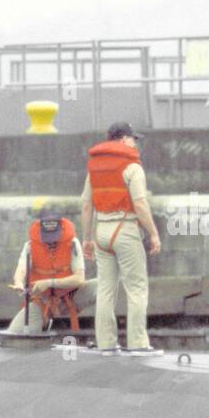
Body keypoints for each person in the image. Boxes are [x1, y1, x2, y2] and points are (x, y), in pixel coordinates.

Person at [81, 122, 162, 356]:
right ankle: (137, 343)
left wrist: (87, 238)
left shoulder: (94, 167)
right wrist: (154, 234)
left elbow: (86, 205)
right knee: (136, 288)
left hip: (102, 231)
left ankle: (106, 343)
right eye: (133, 138)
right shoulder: (132, 167)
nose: (135, 143)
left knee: (106, 289)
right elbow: (139, 203)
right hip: (125, 228)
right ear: (123, 139)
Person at [4, 209, 96, 334]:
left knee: (104, 286)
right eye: (47, 237)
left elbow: (79, 279)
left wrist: (49, 282)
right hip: (43, 300)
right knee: (15, 334)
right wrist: (19, 283)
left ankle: (105, 341)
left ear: (61, 229)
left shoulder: (73, 244)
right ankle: (44, 322)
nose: (51, 242)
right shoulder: (30, 246)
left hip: (71, 296)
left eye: (54, 237)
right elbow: (21, 269)